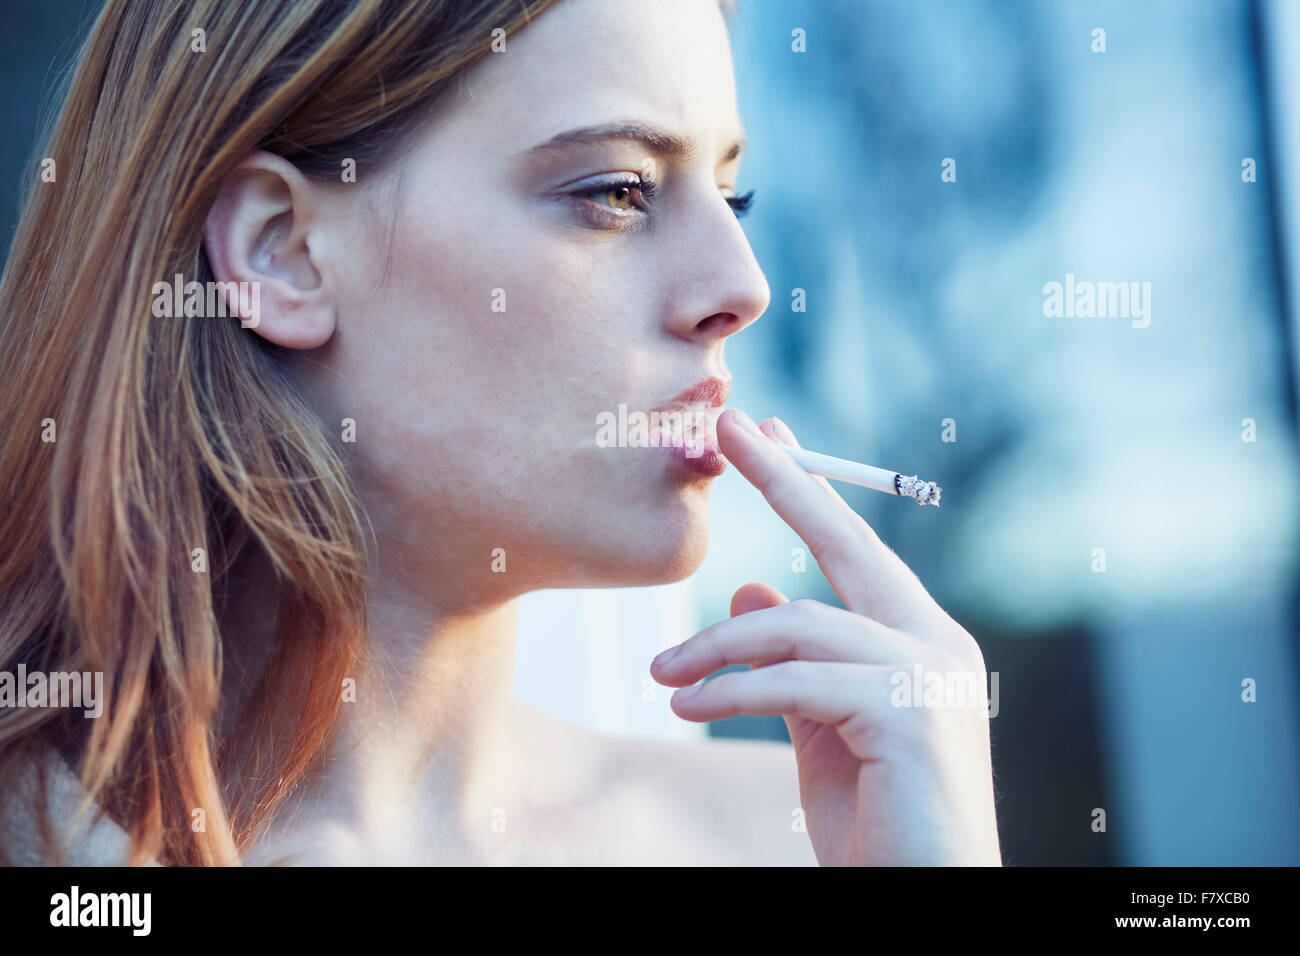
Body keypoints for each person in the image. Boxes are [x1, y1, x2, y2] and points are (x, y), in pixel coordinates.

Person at [0, 0, 1001, 866]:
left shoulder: (803, 837)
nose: (740, 286)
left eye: (731, 195)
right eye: (615, 192)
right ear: (283, 251)